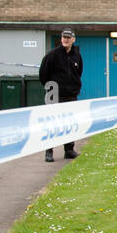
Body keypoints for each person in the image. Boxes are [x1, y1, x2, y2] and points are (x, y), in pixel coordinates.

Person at [38, 29, 82, 162]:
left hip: (71, 94)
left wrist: (74, 86)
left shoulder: (77, 55)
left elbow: (78, 72)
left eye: (68, 37)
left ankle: (69, 150)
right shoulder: (52, 54)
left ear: (73, 39)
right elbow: (43, 74)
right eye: (64, 37)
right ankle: (49, 151)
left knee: (70, 122)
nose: (66, 39)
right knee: (52, 123)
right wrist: (51, 87)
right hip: (55, 94)